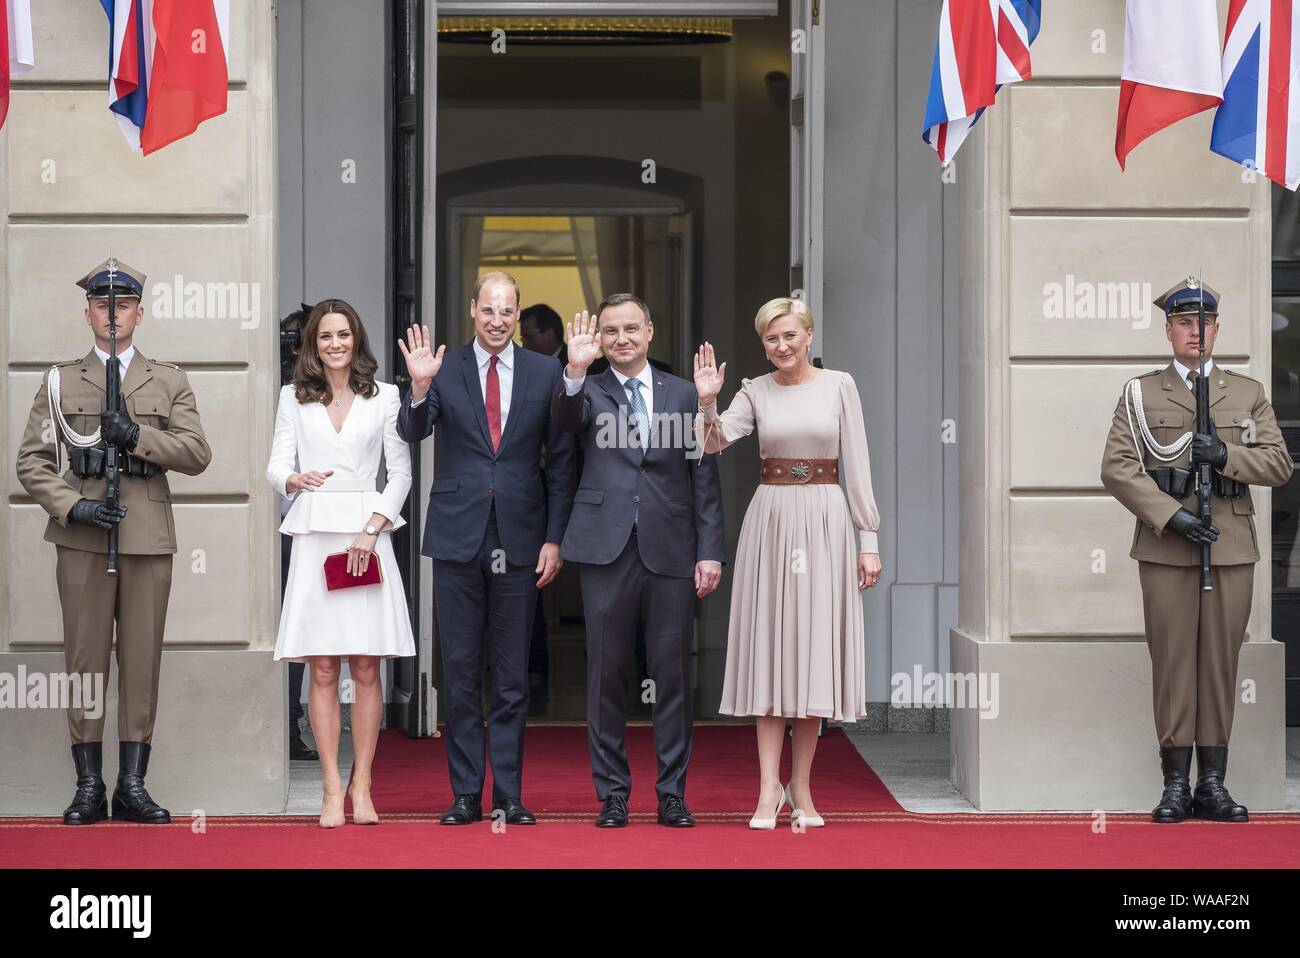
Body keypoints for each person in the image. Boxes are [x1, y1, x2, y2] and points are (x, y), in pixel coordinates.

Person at [15, 257, 212, 825]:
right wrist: (71, 505)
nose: (112, 314)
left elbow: (198, 454)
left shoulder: (168, 379)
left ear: (139, 314)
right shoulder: (59, 380)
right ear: (88, 314)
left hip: (146, 537)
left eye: (123, 305)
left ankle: (132, 785)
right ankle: (88, 784)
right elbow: (31, 461)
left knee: (142, 662)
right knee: (85, 661)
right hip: (82, 537)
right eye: (103, 305)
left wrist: (140, 436)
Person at [1100, 278, 1293, 823]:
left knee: (1218, 667)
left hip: (1229, 546)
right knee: (1173, 665)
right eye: (1185, 323)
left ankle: (1213, 784)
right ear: (1169, 331)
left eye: (1204, 322)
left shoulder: (1247, 393)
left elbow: (1278, 465)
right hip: (1168, 547)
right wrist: (1172, 515)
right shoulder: (1142, 393)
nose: (1196, 332)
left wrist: (1226, 452)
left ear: (1217, 328)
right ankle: (1175, 785)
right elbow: (1117, 468)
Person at [693, 297, 882, 829]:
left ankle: (802, 787)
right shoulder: (754, 390)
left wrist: (868, 539)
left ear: (809, 336)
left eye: (790, 336)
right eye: (772, 339)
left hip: (825, 517)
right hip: (771, 521)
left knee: (812, 650)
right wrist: (708, 401)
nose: (782, 346)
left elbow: (859, 463)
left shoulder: (840, 384)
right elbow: (710, 442)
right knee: (771, 649)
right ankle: (766, 789)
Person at [397, 271, 575, 825]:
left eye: (507, 312)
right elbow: (410, 431)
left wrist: (554, 537)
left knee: (513, 673)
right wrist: (421, 389)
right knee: (462, 669)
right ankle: (466, 793)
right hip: (457, 535)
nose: (497, 321)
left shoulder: (547, 372)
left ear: (517, 315)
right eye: (488, 310)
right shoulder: (443, 368)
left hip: (522, 536)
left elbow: (565, 454)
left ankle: (511, 794)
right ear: (472, 309)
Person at [553, 295, 725, 828]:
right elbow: (565, 424)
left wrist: (710, 550)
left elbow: (704, 475)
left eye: (631, 329)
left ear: (650, 331)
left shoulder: (682, 393)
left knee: (671, 674)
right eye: (610, 331)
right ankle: (613, 795)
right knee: (606, 673)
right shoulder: (587, 389)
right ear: (599, 338)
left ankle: (672, 792)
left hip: (670, 546)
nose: (621, 338)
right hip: (605, 547)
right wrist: (575, 371)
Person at [267, 299, 414, 828]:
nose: (335, 344)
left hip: (365, 533)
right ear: (312, 343)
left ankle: (364, 785)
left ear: (357, 340)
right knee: (323, 665)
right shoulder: (292, 397)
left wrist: (372, 529)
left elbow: (400, 473)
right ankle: (332, 788)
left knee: (367, 664)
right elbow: (276, 464)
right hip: (314, 532)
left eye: (343, 334)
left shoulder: (387, 397)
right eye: (325, 336)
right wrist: (292, 481)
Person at [279, 304, 318, 762]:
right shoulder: (285, 390)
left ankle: (292, 723)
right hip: (286, 525)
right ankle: (288, 723)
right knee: (292, 631)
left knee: (312, 633)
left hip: (321, 522)